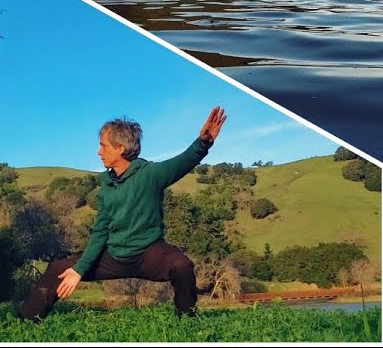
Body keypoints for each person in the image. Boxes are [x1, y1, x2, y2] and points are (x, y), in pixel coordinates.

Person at [18, 107, 228, 321]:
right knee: (59, 269)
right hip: (114, 255)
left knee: (182, 265)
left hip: (148, 254)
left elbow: (182, 162)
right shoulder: (107, 185)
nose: (99, 151)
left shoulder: (150, 174)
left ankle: (188, 321)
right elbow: (100, 232)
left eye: (103, 145)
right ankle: (26, 321)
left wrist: (204, 143)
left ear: (120, 148)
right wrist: (79, 269)